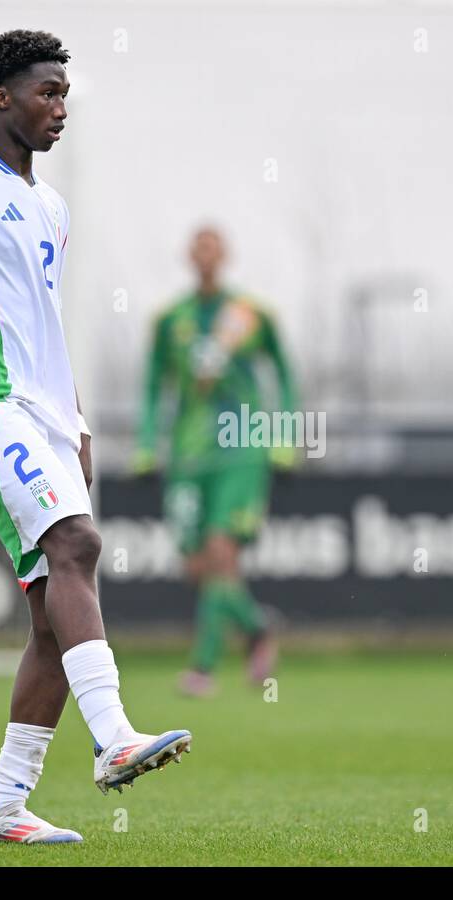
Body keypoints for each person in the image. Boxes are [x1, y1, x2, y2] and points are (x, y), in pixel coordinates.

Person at [0, 29, 190, 846]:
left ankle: (6, 807)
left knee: (53, 616)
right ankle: (113, 735)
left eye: (64, 94)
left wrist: (74, 420)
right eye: (47, 93)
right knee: (77, 543)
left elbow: (40, 326)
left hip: (40, 413)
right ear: (1, 97)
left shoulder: (50, 206)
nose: (60, 108)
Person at [133, 227, 298, 697]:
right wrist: (147, 443)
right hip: (188, 454)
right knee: (198, 565)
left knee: (222, 551)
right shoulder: (171, 320)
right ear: (189, 255)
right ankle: (258, 629)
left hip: (241, 446)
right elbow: (154, 385)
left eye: (213, 246)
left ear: (225, 255)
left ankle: (202, 668)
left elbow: (284, 374)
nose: (205, 254)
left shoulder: (251, 314)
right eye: (198, 246)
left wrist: (285, 436)